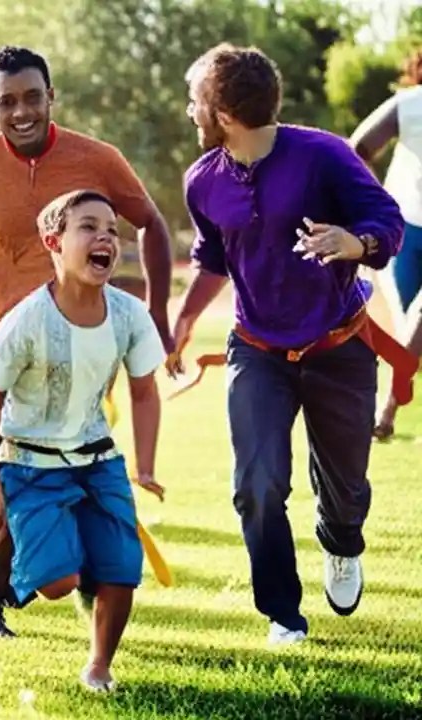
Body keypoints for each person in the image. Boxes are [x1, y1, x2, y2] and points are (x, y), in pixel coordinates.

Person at [0, 46, 174, 637]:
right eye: (6, 101)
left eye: (32, 98)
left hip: (73, 354)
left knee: (29, 481)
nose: (21, 112)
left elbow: (153, 225)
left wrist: (159, 313)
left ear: (50, 97)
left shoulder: (98, 159)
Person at [171, 43, 404, 645]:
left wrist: (354, 243)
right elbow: (213, 258)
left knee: (346, 489)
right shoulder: (202, 180)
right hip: (257, 350)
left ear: (224, 113)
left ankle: (341, 541)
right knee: (257, 484)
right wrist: (183, 321)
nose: (190, 111)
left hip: (339, 347)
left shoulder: (323, 155)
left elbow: (386, 219)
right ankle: (283, 613)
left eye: (195, 101)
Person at [0, 189, 164, 692]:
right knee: (58, 583)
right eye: (89, 227)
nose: (106, 238)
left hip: (99, 461)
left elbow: (145, 392)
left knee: (121, 570)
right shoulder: (26, 320)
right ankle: (58, 557)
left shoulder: (129, 314)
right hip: (30, 465)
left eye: (112, 230)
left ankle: (99, 667)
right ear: (53, 242)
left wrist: (144, 467)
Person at [349, 49, 422, 439]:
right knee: (409, 323)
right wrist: (374, 200)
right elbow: (357, 148)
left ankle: (387, 411)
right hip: (404, 225)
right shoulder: (408, 105)